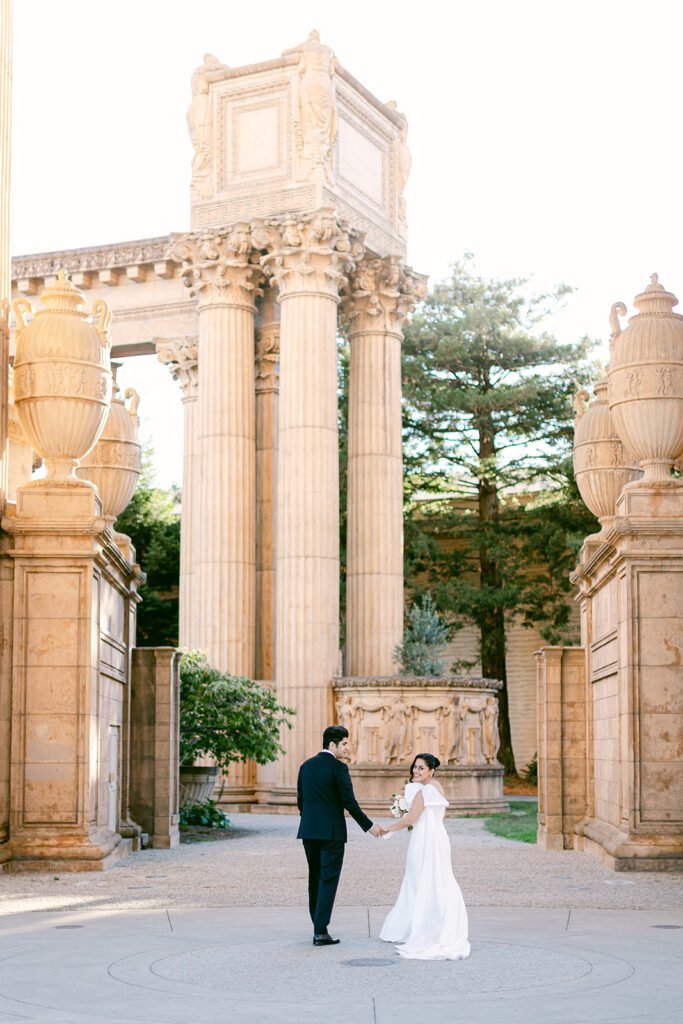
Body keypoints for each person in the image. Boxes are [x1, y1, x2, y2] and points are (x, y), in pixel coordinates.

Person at [297, 725, 384, 946]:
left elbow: (301, 801)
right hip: (332, 833)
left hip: (308, 831)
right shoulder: (339, 768)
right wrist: (369, 826)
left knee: (314, 878)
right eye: (344, 743)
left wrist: (311, 821)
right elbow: (349, 803)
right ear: (332, 744)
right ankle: (320, 931)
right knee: (328, 879)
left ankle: (317, 927)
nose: (348, 747)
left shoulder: (306, 766)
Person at [379, 753, 470, 960]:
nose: (416, 771)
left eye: (421, 768)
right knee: (437, 878)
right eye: (415, 767)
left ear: (431, 771)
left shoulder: (425, 791)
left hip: (425, 840)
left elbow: (410, 819)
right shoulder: (436, 787)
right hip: (437, 837)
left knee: (419, 880)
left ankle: (423, 926)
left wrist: (387, 828)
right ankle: (426, 922)